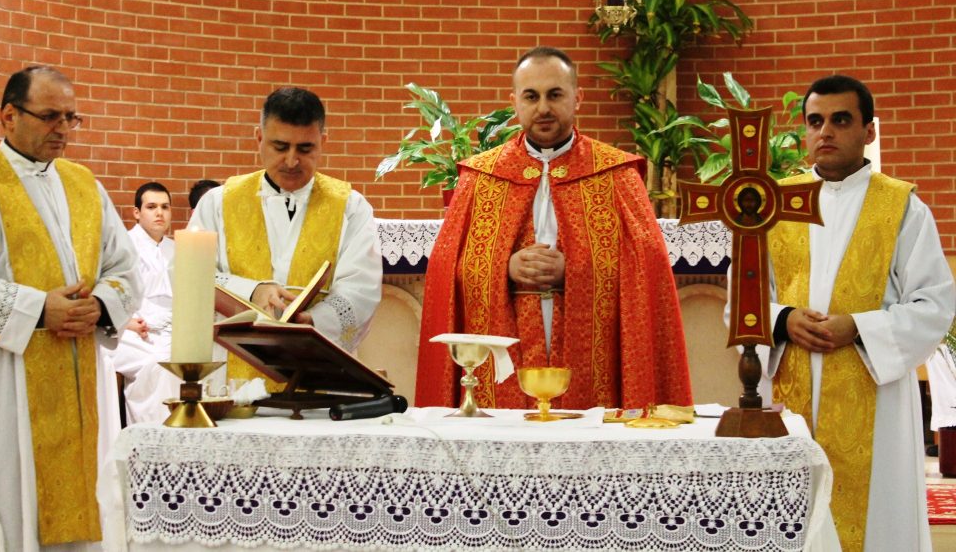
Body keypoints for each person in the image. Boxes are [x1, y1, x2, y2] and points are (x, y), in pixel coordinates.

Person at [415, 47, 692, 410]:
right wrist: (504, 267)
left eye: (555, 94)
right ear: (515, 103)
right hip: (507, 352)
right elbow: (448, 270)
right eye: (531, 96)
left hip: (591, 361)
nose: (543, 108)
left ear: (577, 98)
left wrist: (574, 269)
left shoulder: (617, 175)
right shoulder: (481, 176)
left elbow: (644, 271)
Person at [0, 66, 140, 550]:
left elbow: (126, 267)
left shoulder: (84, 184)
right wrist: (38, 310)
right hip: (4, 374)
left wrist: (101, 305)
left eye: (71, 117)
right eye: (50, 116)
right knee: (9, 485)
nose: (63, 129)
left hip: (79, 370)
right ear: (9, 116)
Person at [765, 74, 955, 551]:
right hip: (791, 385)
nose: (825, 131)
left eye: (840, 120)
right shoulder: (774, 205)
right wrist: (783, 320)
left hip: (875, 393)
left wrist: (860, 327)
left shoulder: (902, 207)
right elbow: (742, 299)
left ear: (869, 131)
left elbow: (934, 304)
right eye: (815, 122)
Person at [189, 86, 381, 381]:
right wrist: (253, 291)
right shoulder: (217, 202)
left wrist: (314, 321)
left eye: (305, 149)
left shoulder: (350, 207)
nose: (291, 161)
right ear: (259, 138)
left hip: (317, 366)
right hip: (233, 370)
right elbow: (191, 276)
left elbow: (361, 289)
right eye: (280, 147)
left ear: (323, 142)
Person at [109, 181, 181, 424]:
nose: (159, 213)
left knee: (189, 362)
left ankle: (182, 434)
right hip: (128, 331)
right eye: (151, 207)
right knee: (160, 365)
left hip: (170, 331)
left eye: (165, 207)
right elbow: (106, 291)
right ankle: (151, 433)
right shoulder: (122, 246)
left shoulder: (177, 249)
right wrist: (126, 322)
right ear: (137, 213)